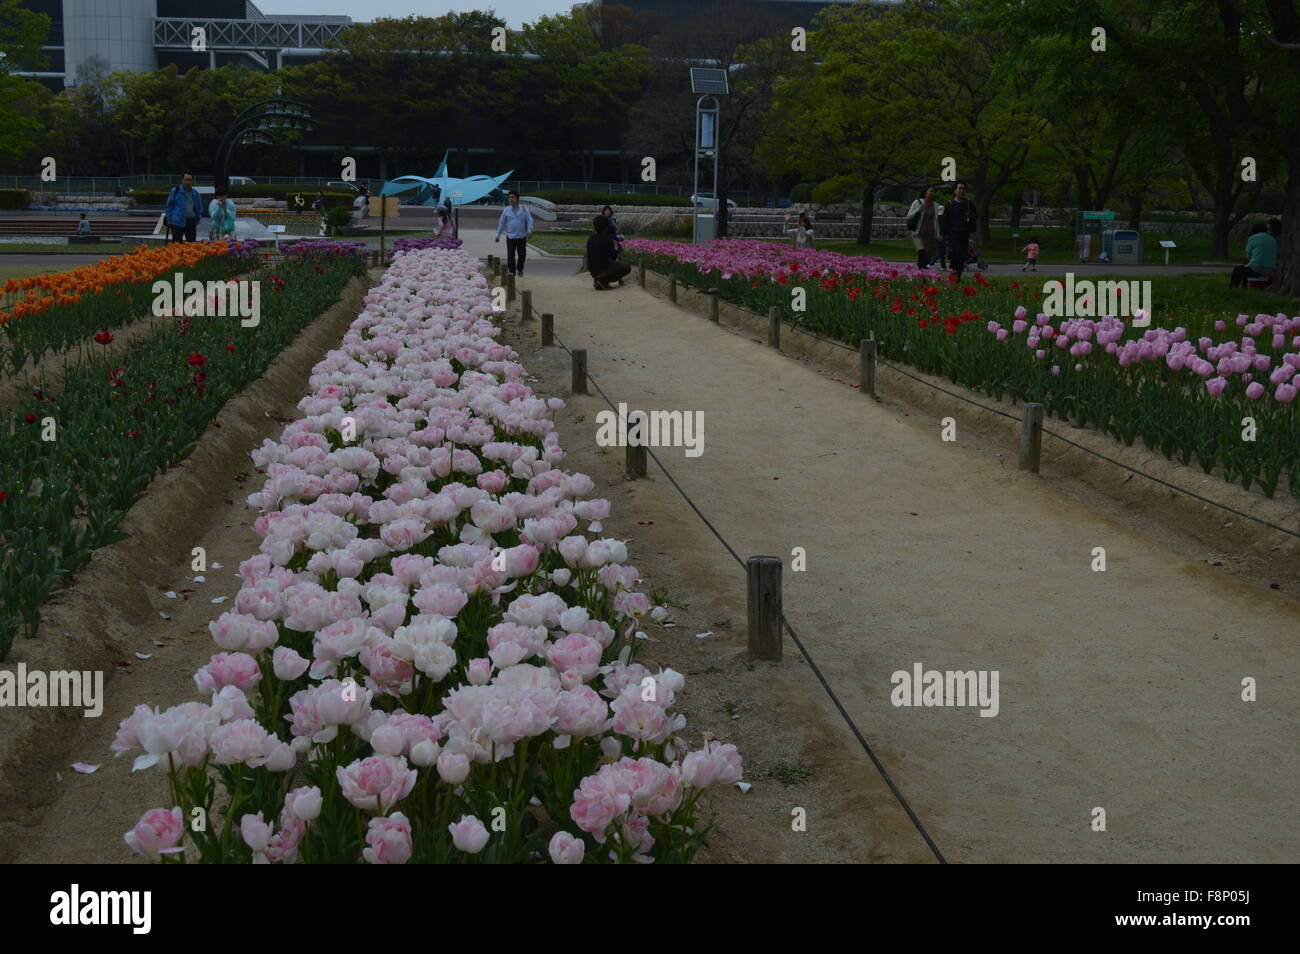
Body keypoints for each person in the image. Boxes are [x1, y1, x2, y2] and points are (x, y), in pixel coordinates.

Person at [940, 180, 977, 279]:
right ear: (955, 191)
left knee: (961, 256)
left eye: (963, 189)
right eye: (959, 188)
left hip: (965, 233)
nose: (962, 191)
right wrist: (942, 234)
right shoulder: (950, 204)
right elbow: (945, 220)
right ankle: (952, 277)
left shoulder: (969, 203)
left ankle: (958, 278)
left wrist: (971, 216)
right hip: (953, 234)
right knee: (955, 254)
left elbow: (975, 216)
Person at [494, 191, 534, 277]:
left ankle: (520, 270)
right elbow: (502, 223)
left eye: (512, 197)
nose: (510, 199)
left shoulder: (524, 209)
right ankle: (512, 271)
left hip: (521, 237)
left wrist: (529, 230)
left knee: (522, 255)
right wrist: (498, 235)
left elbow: (529, 220)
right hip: (510, 237)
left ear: (517, 199)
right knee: (510, 255)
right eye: (509, 197)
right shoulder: (506, 210)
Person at [586, 215, 631, 290]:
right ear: (606, 227)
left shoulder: (591, 238)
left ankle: (599, 280)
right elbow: (613, 256)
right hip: (603, 268)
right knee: (626, 268)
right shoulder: (607, 239)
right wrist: (616, 246)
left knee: (612, 265)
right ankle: (603, 280)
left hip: (591, 269)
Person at [1229, 223, 1277, 288]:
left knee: (1237, 270)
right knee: (1246, 269)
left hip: (1257, 269)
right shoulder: (1273, 239)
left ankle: (1233, 288)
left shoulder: (1252, 238)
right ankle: (1245, 286)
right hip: (1271, 270)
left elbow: (1248, 255)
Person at [164, 172, 205, 244]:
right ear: (182, 180)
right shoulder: (175, 191)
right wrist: (169, 219)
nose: (188, 182)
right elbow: (169, 206)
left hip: (191, 221)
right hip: (177, 221)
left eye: (190, 179)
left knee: (191, 244)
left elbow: (199, 208)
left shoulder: (195, 193)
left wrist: (197, 219)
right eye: (186, 179)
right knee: (177, 244)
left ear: (192, 181)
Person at [906, 186, 941, 268]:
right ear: (925, 193)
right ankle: (921, 274)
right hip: (918, 233)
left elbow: (937, 221)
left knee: (927, 257)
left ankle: (923, 275)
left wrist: (938, 234)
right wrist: (918, 210)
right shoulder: (917, 202)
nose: (933, 193)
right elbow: (909, 216)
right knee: (922, 252)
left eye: (934, 191)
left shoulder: (936, 205)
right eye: (931, 191)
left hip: (930, 234)